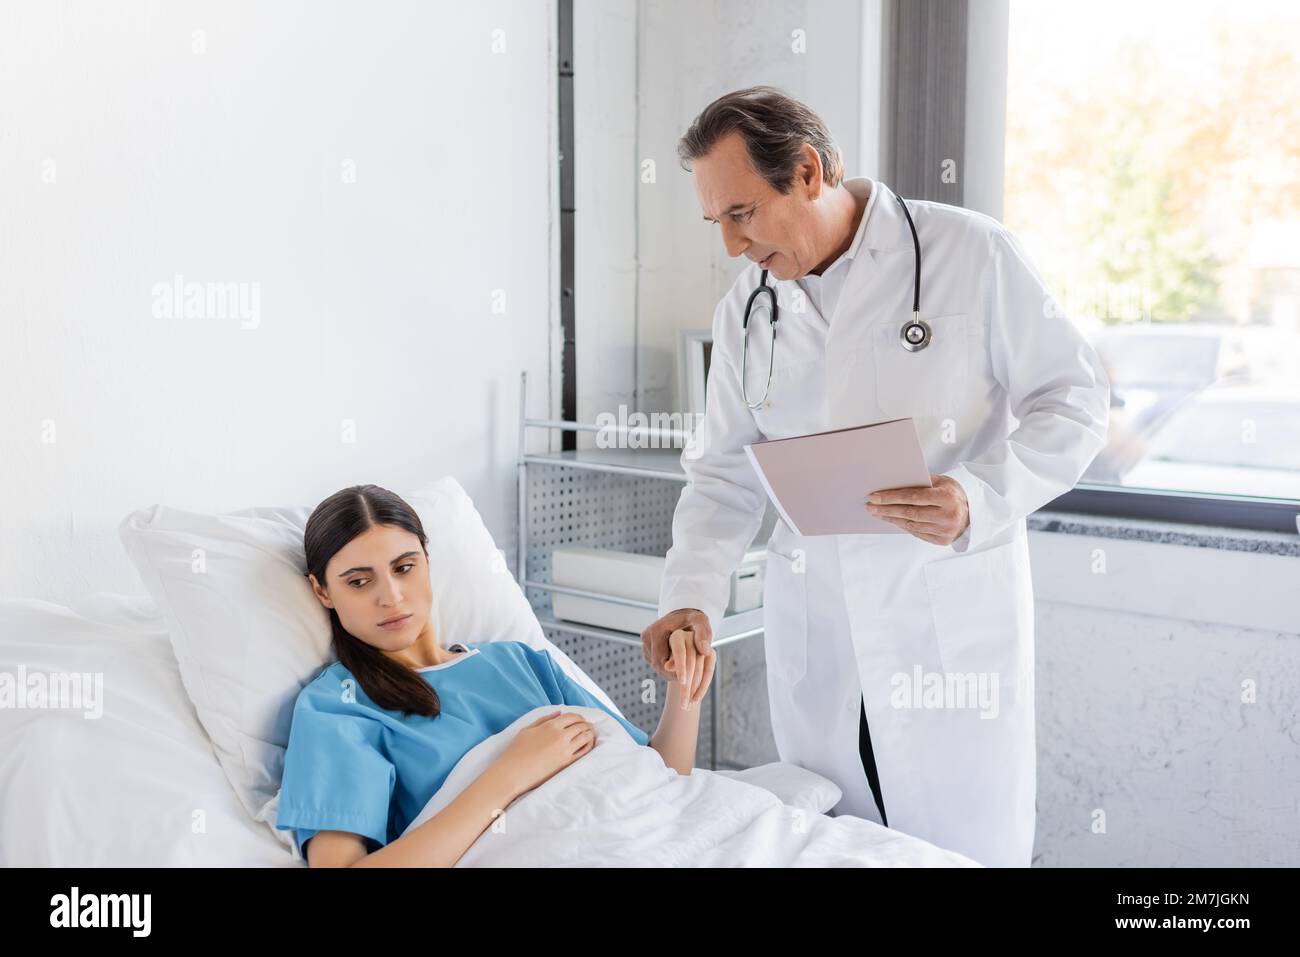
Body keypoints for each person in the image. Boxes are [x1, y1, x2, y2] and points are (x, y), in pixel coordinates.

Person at [640, 86, 1110, 867]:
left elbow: (1077, 399)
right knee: (834, 844)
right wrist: (689, 595)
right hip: (820, 630)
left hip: (944, 620)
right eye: (716, 221)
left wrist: (978, 497)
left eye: (742, 213)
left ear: (808, 171)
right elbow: (722, 475)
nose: (730, 246)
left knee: (960, 849)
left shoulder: (970, 253)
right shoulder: (748, 310)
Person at [276, 483, 713, 867]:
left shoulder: (519, 661)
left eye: (404, 567)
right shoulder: (339, 705)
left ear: (427, 561)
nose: (390, 596)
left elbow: (662, 776)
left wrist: (682, 683)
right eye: (358, 581)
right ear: (322, 591)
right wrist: (510, 774)